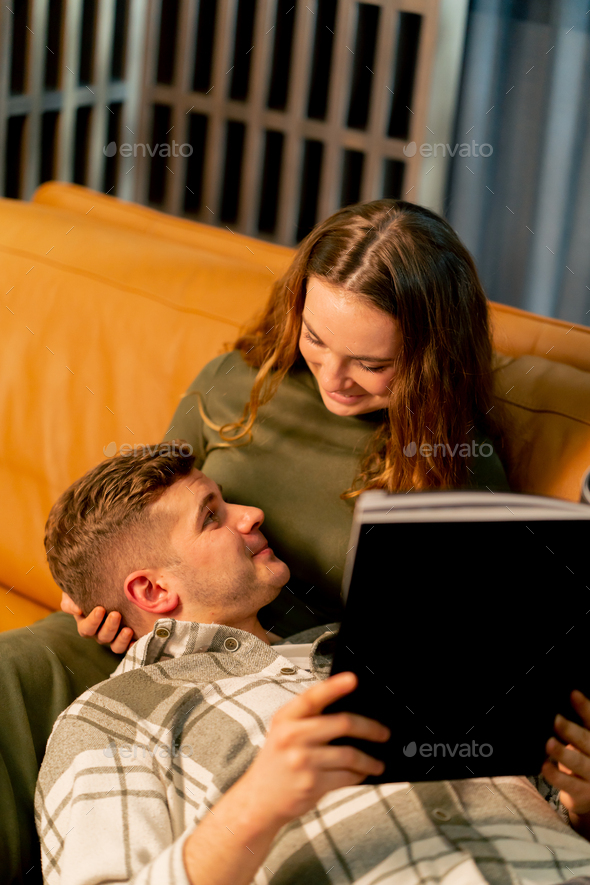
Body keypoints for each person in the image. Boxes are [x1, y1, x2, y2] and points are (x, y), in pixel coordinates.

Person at [36, 444, 590, 885]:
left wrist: (581, 803)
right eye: (213, 517)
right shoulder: (110, 719)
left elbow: (551, 806)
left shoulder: (373, 641)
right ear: (152, 590)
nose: (251, 515)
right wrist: (259, 802)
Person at [62, 198, 511, 652]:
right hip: (139, 640)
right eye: (315, 337)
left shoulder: (459, 466)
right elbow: (139, 517)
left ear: (432, 360)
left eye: (371, 364)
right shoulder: (237, 379)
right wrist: (93, 591)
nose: (332, 379)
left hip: (283, 683)